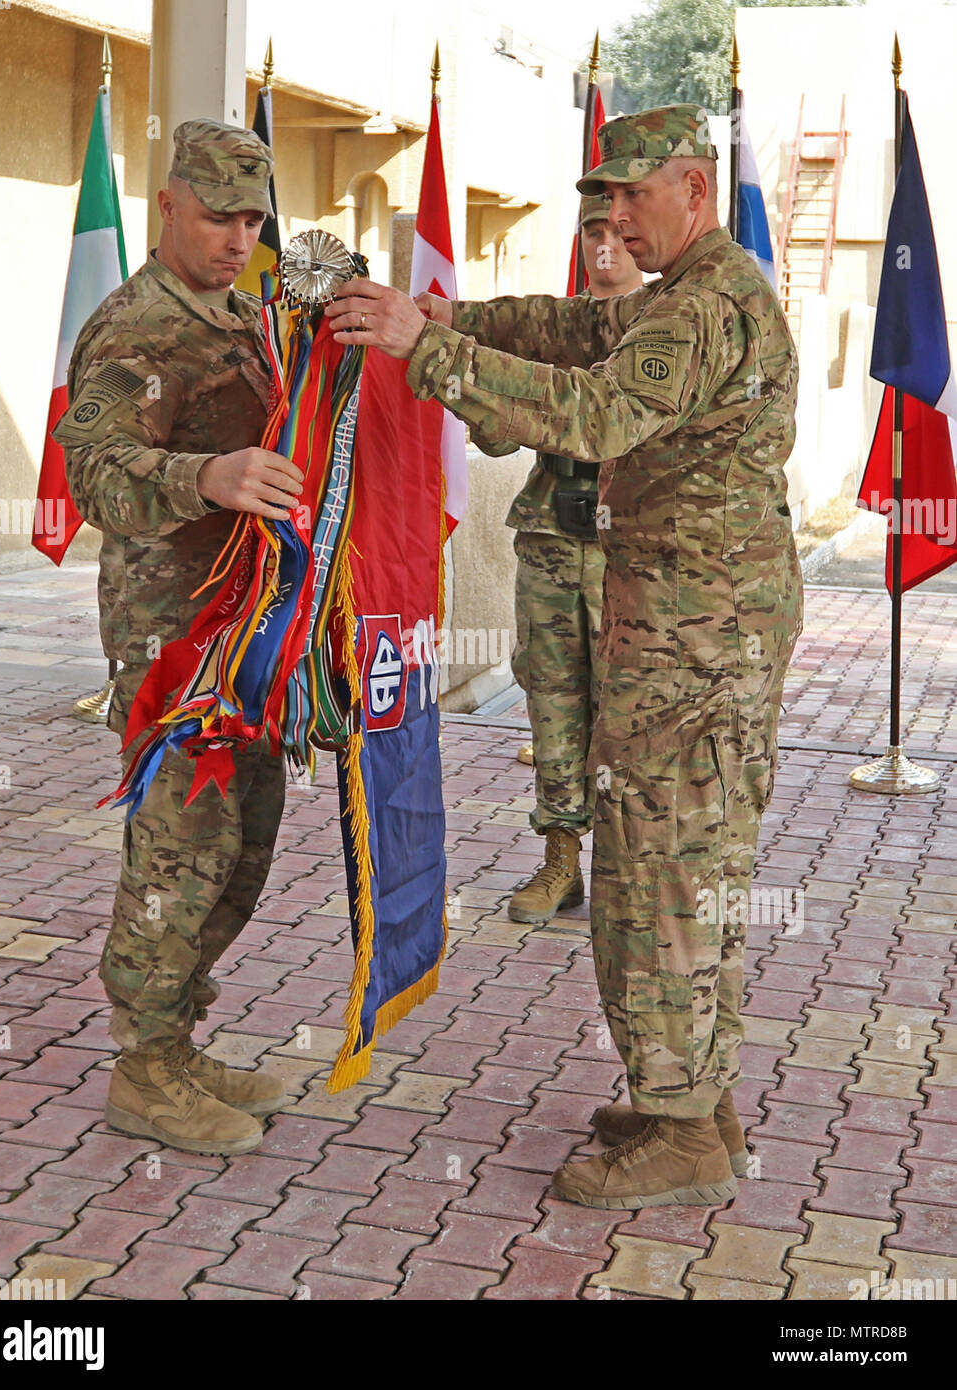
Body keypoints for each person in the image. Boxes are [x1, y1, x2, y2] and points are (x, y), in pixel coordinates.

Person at [325, 104, 803, 1209]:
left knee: (660, 872)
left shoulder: (705, 310)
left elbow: (589, 415)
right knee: (681, 866)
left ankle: (680, 1124)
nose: (611, 216)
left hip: (695, 647)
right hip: (681, 631)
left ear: (692, 186)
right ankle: (690, 1095)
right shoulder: (679, 296)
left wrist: (425, 347)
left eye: (632, 194)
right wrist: (448, 315)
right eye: (605, 196)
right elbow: (560, 329)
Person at [54, 119, 303, 1157]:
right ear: (167, 206)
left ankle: (178, 1032)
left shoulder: (248, 313)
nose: (235, 237)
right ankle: (142, 1064)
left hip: (244, 627)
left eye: (251, 218)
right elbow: (91, 473)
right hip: (170, 640)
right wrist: (200, 475)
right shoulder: (131, 326)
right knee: (179, 842)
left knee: (245, 837)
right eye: (216, 216)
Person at [506, 193, 642, 927]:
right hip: (555, 542)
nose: (606, 245)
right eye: (592, 229)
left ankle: (629, 875)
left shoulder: (667, 328)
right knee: (553, 699)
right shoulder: (552, 328)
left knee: (631, 713)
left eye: (620, 231)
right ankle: (561, 862)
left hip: (634, 556)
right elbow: (496, 437)